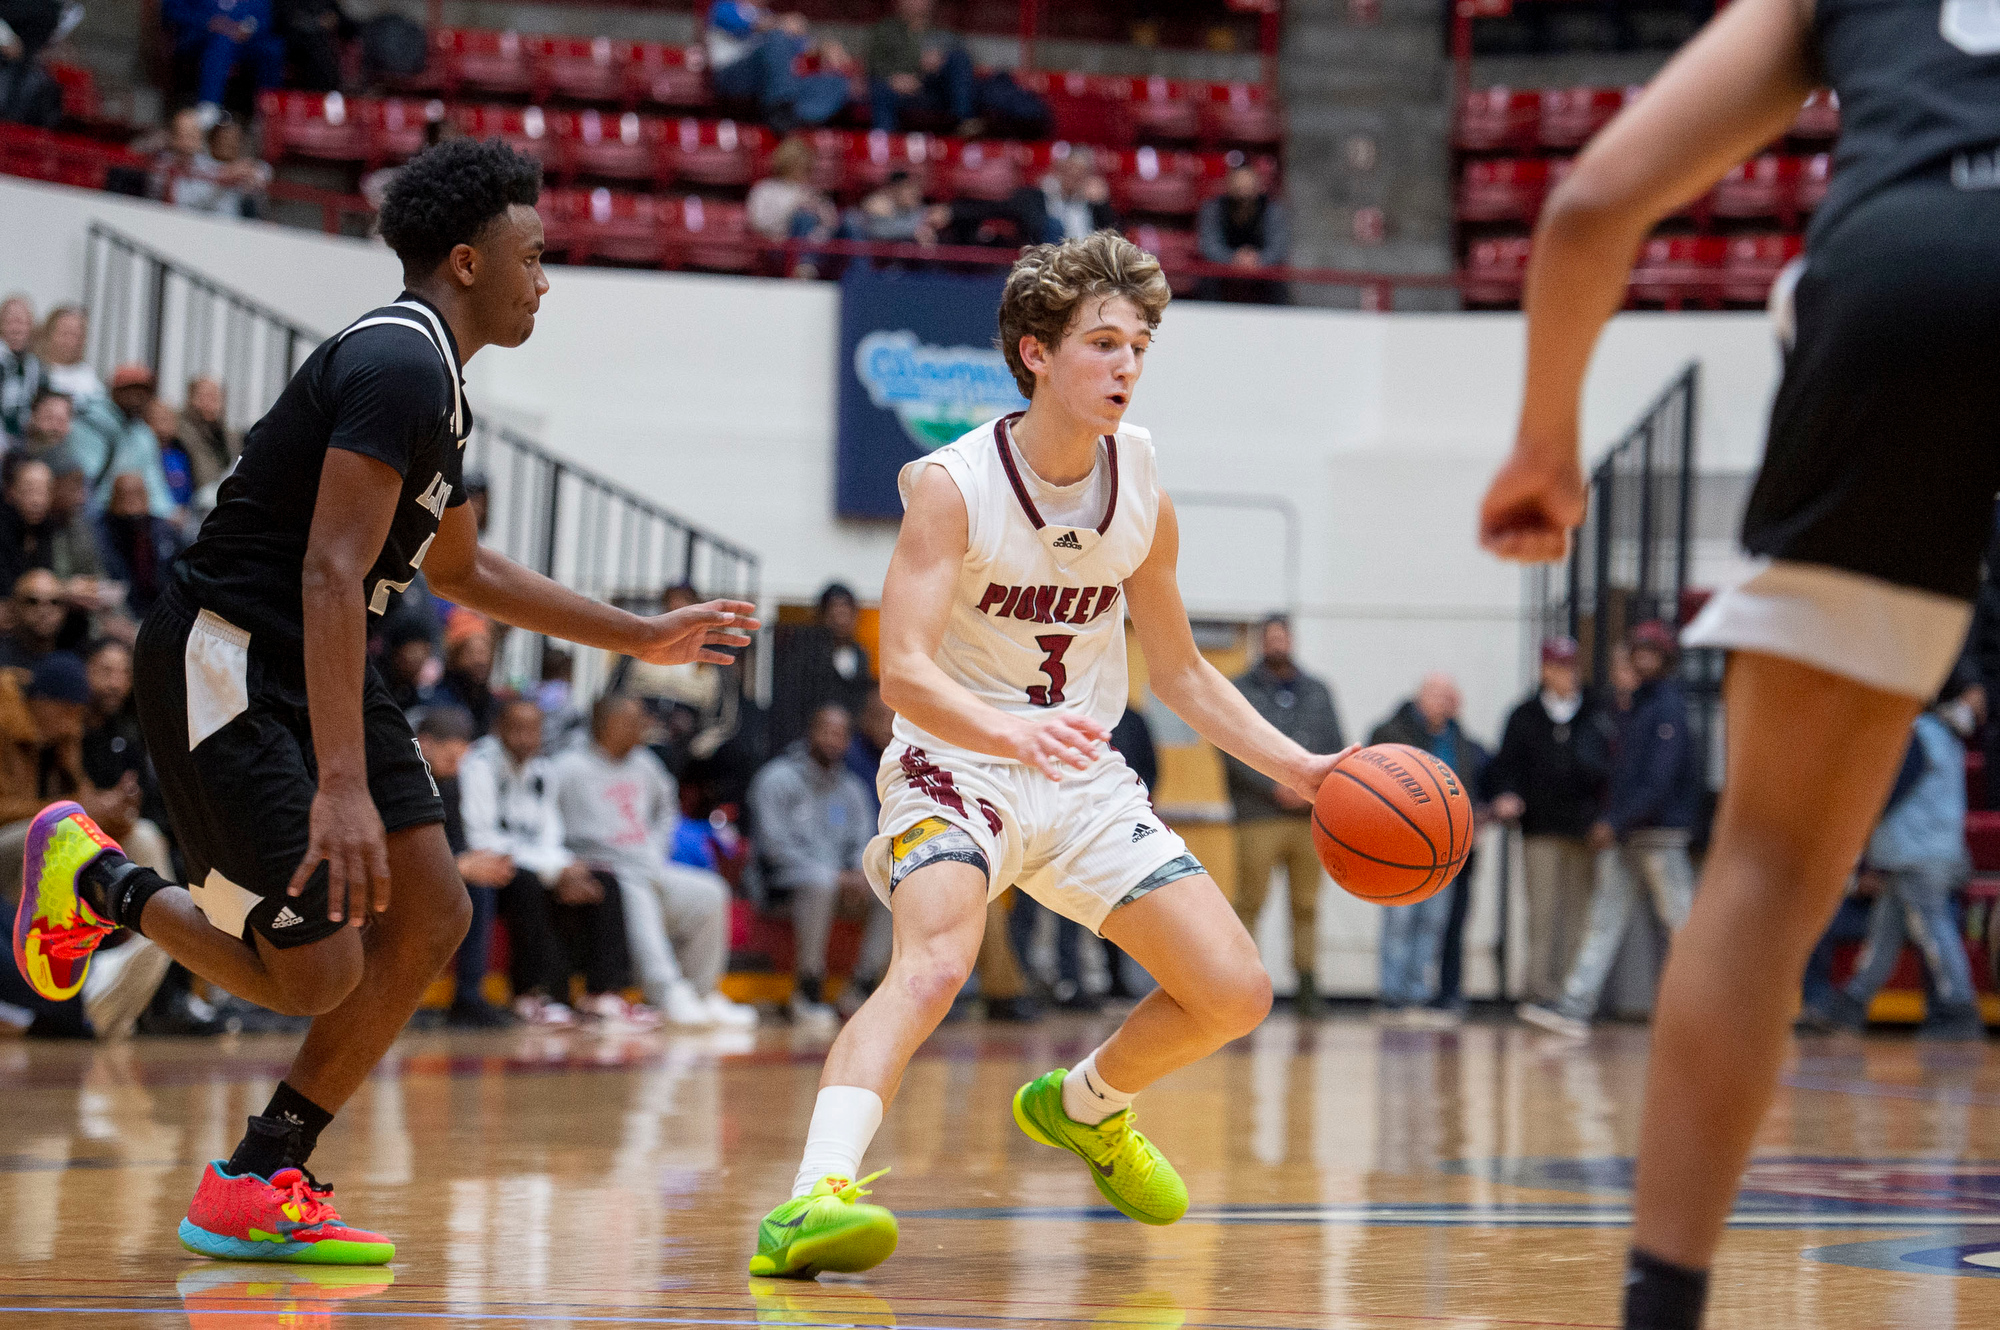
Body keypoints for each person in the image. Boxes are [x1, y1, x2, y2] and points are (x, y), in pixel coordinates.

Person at [11, 137, 757, 1266]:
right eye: (531, 256)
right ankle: (97, 879)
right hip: (229, 659)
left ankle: (261, 1172)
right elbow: (328, 569)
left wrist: (639, 633)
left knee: (434, 914)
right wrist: (343, 787)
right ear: (467, 260)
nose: (544, 280)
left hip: (314, 659)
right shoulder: (399, 360)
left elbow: (461, 569)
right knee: (315, 973)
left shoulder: (438, 385)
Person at [1472, 0, 2000, 1316]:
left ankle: (1662, 1304)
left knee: (1764, 870)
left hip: (1899, 281)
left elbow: (1592, 204)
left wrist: (1543, 446)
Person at [745, 232, 1352, 1279]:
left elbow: (1182, 672)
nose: (1126, 366)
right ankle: (811, 1198)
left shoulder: (1140, 483)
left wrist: (1295, 766)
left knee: (1234, 991)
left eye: (1139, 347)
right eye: (1103, 343)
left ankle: (1086, 1104)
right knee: (936, 965)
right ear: (1036, 352)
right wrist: (1006, 731)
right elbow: (903, 674)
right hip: (955, 765)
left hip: (1079, 777)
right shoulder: (954, 485)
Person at [1518, 622, 1701, 1039]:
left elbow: (1658, 779)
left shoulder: (1667, 706)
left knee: (1682, 923)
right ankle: (1575, 1005)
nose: (1642, 659)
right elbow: (1620, 773)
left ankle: (1703, 1013)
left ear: (1667, 658)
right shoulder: (1632, 706)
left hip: (1658, 834)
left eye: (1652, 652)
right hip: (1627, 833)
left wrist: (1614, 820)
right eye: (1639, 651)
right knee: (1603, 920)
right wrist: (1612, 819)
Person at [551, 695, 756, 1028]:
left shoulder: (645, 764)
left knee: (710, 892)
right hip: (604, 868)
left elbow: (667, 807)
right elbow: (544, 820)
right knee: (634, 890)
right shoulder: (566, 767)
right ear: (607, 725)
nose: (642, 728)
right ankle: (667, 992)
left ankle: (703, 993)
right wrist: (564, 862)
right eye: (633, 722)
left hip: (647, 863)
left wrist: (656, 846)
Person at [1804, 681, 1985, 1040]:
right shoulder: (1941, 733)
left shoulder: (1918, 735)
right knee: (1884, 931)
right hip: (1919, 851)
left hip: (1919, 853)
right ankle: (1851, 1004)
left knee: (1934, 931)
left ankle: (1960, 1011)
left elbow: (1886, 791)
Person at [456, 697, 650, 1029]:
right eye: (516, 730)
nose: (525, 739)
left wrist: (566, 869)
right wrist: (553, 871)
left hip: (536, 864)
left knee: (604, 881)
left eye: (533, 731)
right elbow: (482, 838)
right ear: (498, 729)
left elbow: (551, 835)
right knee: (527, 883)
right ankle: (529, 994)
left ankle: (602, 995)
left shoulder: (543, 770)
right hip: (490, 870)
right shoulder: (478, 765)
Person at [1223, 614, 1345, 1017]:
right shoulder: (1240, 689)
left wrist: (1311, 788)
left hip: (1310, 818)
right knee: (1250, 902)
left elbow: (1335, 744)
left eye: (1283, 637)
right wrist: (1276, 785)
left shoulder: (1318, 691)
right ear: (1262, 642)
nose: (1277, 643)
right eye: (1271, 637)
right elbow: (1230, 748)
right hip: (1258, 815)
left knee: (1306, 905)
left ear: (1292, 641)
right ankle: (1240, 988)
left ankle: (1308, 988)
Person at [1485, 635, 1612, 1009]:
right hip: (1539, 828)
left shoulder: (1595, 713)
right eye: (1558, 666)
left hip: (1583, 830)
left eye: (1571, 666)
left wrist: (1603, 816)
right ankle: (1539, 990)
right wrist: (1508, 795)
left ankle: (1570, 995)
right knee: (1541, 913)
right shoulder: (1523, 715)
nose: (1566, 674)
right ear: (1544, 670)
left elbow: (1609, 768)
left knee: (1578, 915)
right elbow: (1505, 767)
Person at [748, 701, 885, 1027]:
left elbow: (864, 841)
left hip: (837, 886)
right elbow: (772, 847)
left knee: (889, 890)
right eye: (826, 731)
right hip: (781, 884)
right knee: (821, 882)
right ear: (810, 733)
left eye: (841, 735)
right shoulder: (777, 778)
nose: (833, 741)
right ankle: (808, 991)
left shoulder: (852, 788)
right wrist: (835, 876)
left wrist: (859, 871)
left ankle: (861, 987)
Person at [1368, 673, 1487, 1022]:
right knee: (1399, 921)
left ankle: (1417, 995)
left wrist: (1472, 822)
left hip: (1444, 846)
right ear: (1421, 697)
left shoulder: (1459, 738)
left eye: (1451, 697)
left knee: (1432, 923)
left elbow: (1467, 786)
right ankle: (1392, 996)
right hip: (1400, 844)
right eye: (1439, 695)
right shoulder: (1391, 732)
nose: (1447, 703)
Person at [705, 0, 853, 131]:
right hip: (732, 77)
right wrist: (781, 23)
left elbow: (804, 46)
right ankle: (781, 112)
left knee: (834, 80)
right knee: (778, 38)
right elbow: (746, 24)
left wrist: (825, 48)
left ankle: (800, 117)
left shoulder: (769, 15)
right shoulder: (724, 7)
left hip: (770, 84)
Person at [770, 581, 876, 753]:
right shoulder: (805, 650)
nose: (840, 620)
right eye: (834, 613)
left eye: (845, 613)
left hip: (849, 743)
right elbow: (792, 699)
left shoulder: (861, 654)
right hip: (809, 742)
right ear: (823, 616)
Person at [68, 363, 177, 518]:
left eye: (144, 393)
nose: (137, 398)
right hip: (97, 509)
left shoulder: (144, 434)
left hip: (134, 513)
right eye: (130, 392)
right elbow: (86, 478)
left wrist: (168, 513)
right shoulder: (91, 424)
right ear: (114, 392)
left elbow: (153, 480)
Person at [161, 0, 286, 127]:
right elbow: (173, 10)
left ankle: (267, 112)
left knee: (273, 49)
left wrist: (250, 27)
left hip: (244, 40)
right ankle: (209, 107)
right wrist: (207, 21)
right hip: (201, 36)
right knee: (222, 41)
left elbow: (264, 17)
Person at [95, 472, 185, 621]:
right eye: (125, 495)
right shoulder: (100, 535)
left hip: (164, 612)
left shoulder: (164, 531)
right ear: (113, 498)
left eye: (137, 494)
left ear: (146, 496)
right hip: (120, 614)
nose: (131, 503)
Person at [746, 136, 838, 278]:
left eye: (807, 166)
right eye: (799, 165)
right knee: (804, 218)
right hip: (778, 245)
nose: (804, 170)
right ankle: (803, 270)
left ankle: (807, 268)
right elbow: (759, 223)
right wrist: (793, 206)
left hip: (815, 246)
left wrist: (822, 211)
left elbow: (831, 225)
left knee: (850, 220)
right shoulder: (765, 189)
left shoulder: (810, 191)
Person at [1195, 166, 1288, 305]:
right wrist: (1233, 258)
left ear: (1258, 187)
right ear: (1229, 186)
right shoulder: (1213, 209)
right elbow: (1208, 245)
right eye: (1239, 188)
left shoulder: (1273, 210)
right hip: (1223, 269)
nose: (1243, 193)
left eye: (1248, 187)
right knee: (1207, 280)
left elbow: (1278, 247)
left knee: (1278, 283)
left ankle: (1277, 316)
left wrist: (1258, 260)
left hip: (1263, 270)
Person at [177, 375, 242, 494]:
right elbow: (204, 475)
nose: (209, 403)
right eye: (203, 396)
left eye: (214, 397)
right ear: (190, 399)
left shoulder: (230, 435)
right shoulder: (182, 429)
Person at [1041, 147, 1119, 243]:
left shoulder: (1093, 204)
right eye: (1068, 171)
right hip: (1054, 248)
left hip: (1087, 249)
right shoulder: (1043, 198)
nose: (1072, 177)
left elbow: (1114, 233)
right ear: (1058, 172)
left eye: (1077, 174)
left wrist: (1101, 203)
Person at [0, 566, 68, 672]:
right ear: (13, 607)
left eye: (54, 602)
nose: (44, 611)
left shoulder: (79, 662)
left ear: (64, 610)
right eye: (32, 602)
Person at [34, 306, 102, 407]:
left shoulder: (89, 377)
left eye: (75, 335)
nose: (69, 341)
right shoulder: (34, 370)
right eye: (64, 333)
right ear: (49, 334)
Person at [0, 293, 41, 445]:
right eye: (10, 322)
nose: (16, 329)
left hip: (22, 439)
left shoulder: (33, 364)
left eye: (22, 322)